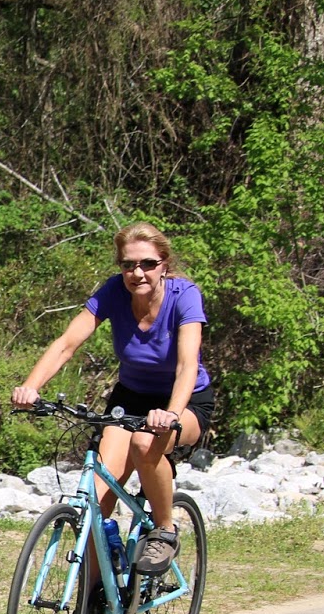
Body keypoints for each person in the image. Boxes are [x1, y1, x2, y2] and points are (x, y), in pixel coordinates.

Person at [11, 220, 213, 592]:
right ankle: (94, 599)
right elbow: (67, 343)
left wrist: (170, 414)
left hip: (182, 400)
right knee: (95, 506)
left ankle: (165, 531)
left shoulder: (185, 296)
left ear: (163, 264)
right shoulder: (113, 293)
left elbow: (187, 365)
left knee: (144, 445)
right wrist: (31, 386)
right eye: (128, 265)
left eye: (147, 264)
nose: (137, 273)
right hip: (131, 398)